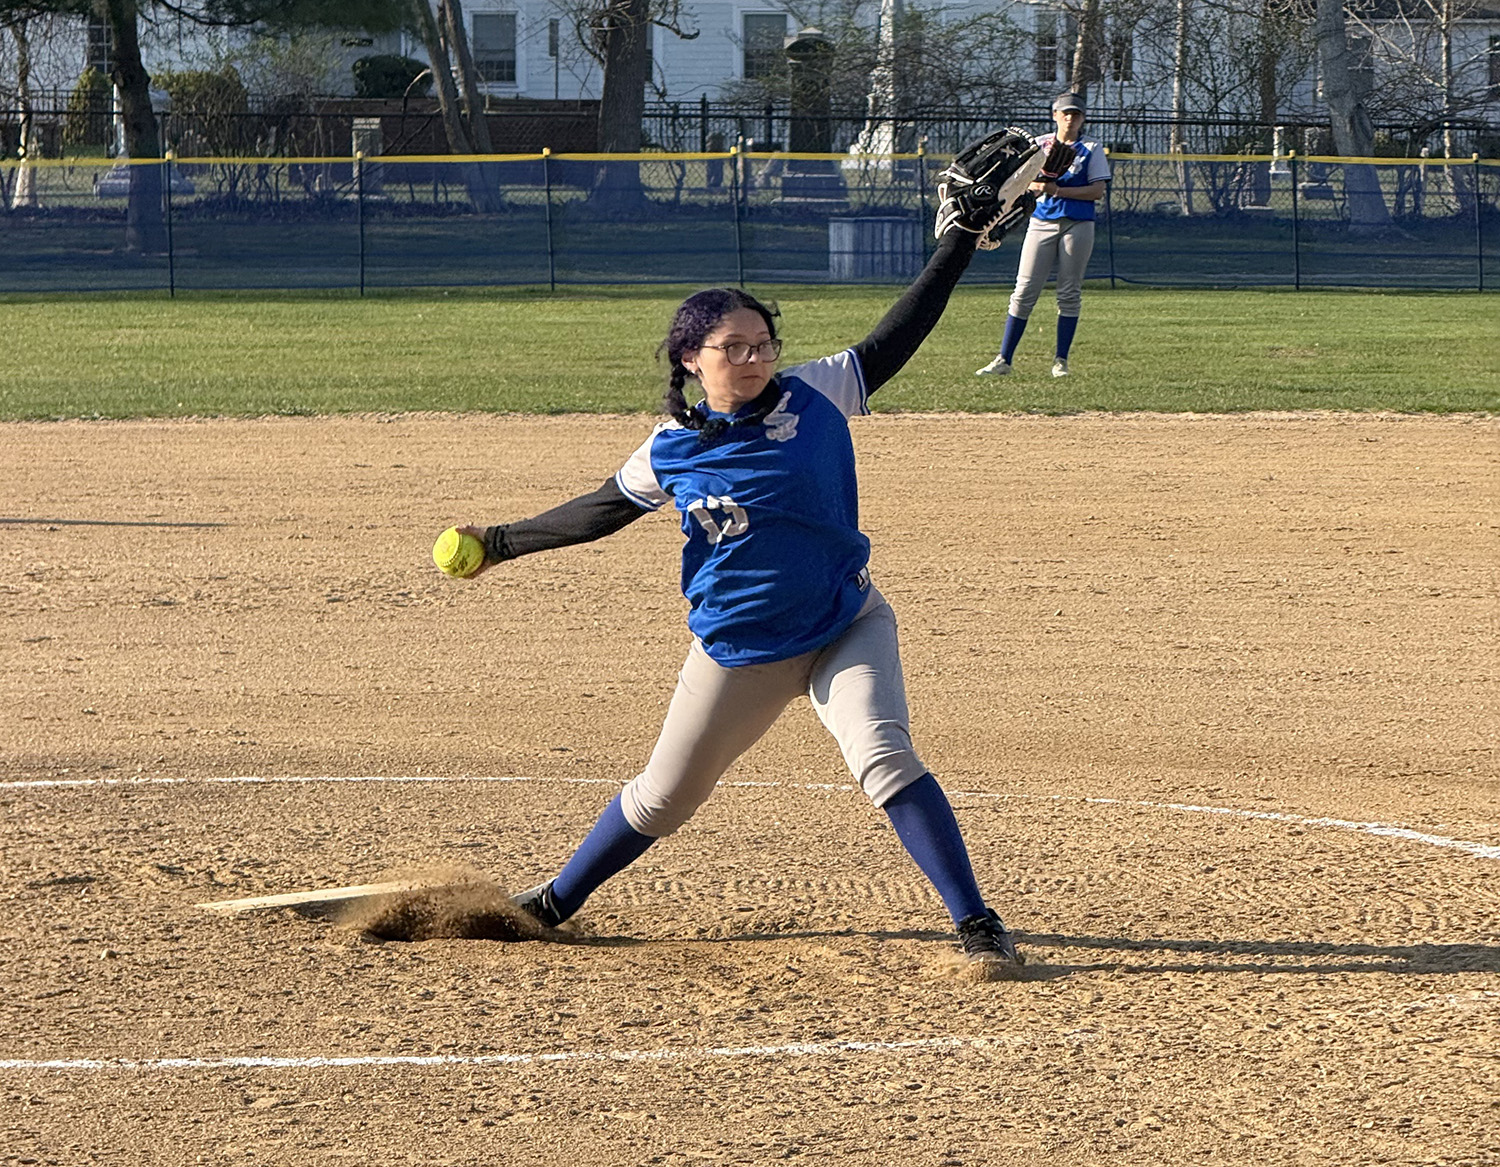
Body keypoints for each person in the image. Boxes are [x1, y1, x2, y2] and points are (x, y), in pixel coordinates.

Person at [446, 144, 1035, 971]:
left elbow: (902, 329)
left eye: (763, 342)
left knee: (883, 754)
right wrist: (500, 542)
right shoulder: (671, 450)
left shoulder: (817, 392)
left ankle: (978, 923)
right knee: (662, 798)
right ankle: (552, 903)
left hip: (844, 620)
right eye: (734, 347)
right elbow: (600, 512)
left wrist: (959, 243)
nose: (755, 357)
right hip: (741, 650)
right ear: (693, 359)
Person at [976, 93, 1111, 379]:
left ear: (1083, 118)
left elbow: (1097, 191)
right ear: (1054, 115)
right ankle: (1004, 359)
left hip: (1078, 223)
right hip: (1041, 221)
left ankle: (1060, 361)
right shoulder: (1039, 145)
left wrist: (1057, 190)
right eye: (1065, 113)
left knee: (1069, 292)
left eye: (1076, 114)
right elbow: (1018, 182)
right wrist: (1035, 185)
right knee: (1024, 291)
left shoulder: (1090, 147)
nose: (1070, 118)